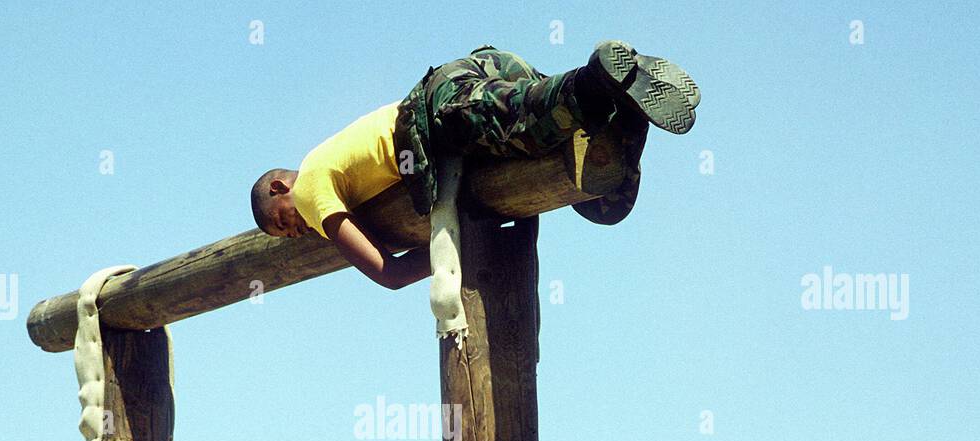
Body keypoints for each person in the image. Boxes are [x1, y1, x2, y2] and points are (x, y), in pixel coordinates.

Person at [251, 40, 700, 289]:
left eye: (284, 225)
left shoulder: (310, 188)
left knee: (527, 118)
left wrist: (454, 244)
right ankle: (628, 110)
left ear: (279, 189)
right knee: (603, 200)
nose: (298, 232)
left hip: (438, 110)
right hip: (482, 74)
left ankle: (598, 80)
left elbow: (389, 273)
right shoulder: (333, 165)